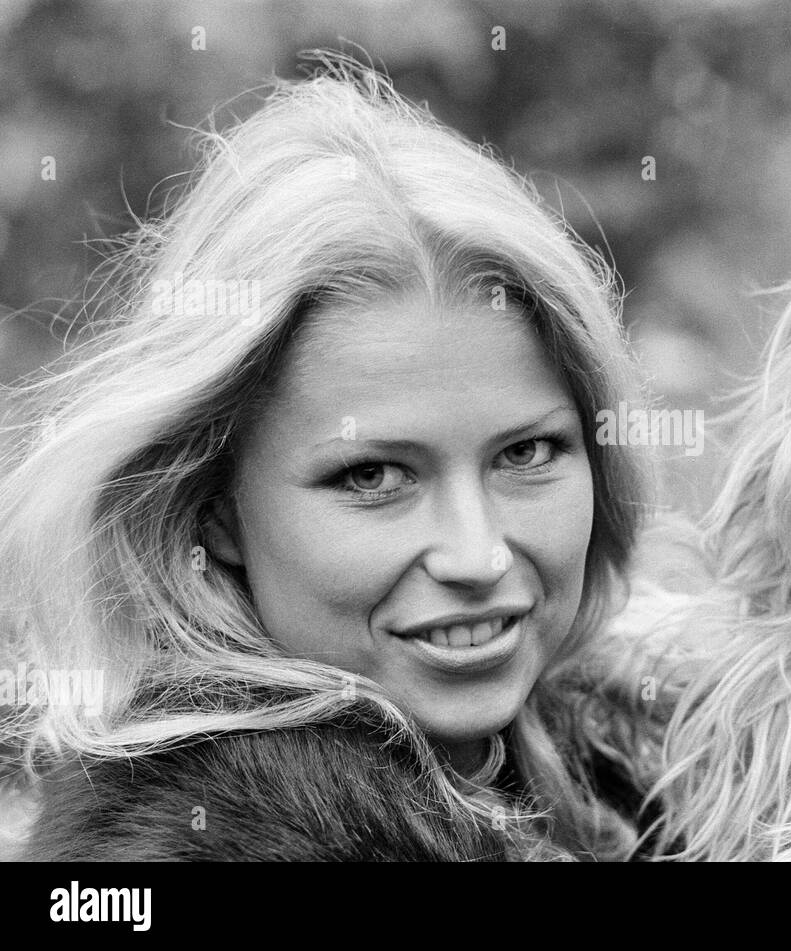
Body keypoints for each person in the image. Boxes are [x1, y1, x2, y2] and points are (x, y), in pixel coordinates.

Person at [0, 56, 647, 861]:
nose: (477, 555)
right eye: (372, 476)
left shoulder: (645, 763)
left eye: (526, 451)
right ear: (215, 509)